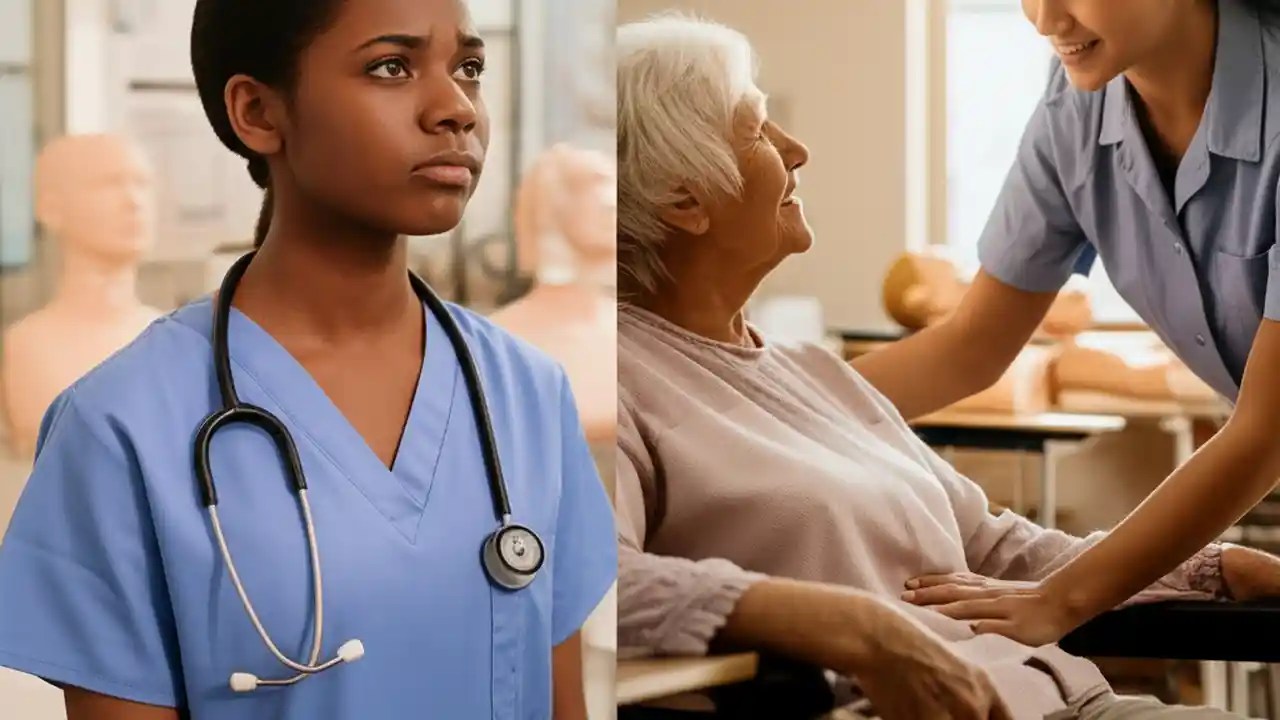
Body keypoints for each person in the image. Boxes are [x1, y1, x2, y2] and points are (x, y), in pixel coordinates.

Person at [615, 14, 1280, 720]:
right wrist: (849, 626)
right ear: (685, 199)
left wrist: (1206, 568)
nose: (798, 149)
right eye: (759, 130)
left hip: (1057, 696)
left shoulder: (814, 373)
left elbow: (992, 546)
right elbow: (590, 581)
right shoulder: (607, 383)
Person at [0, 1, 617, 718]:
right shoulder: (120, 427)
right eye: (391, 66)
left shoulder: (526, 393)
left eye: (469, 69)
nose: (457, 109)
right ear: (258, 111)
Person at [852, 0, 1280, 646]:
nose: (1046, 18)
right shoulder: (1078, 112)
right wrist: (761, 403)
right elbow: (970, 347)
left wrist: (1062, 597)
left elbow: (1264, 432)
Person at [0, 134, 161, 460]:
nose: (133, 201)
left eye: (142, 184)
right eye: (108, 184)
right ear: (51, 208)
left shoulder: (179, 340)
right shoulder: (22, 347)